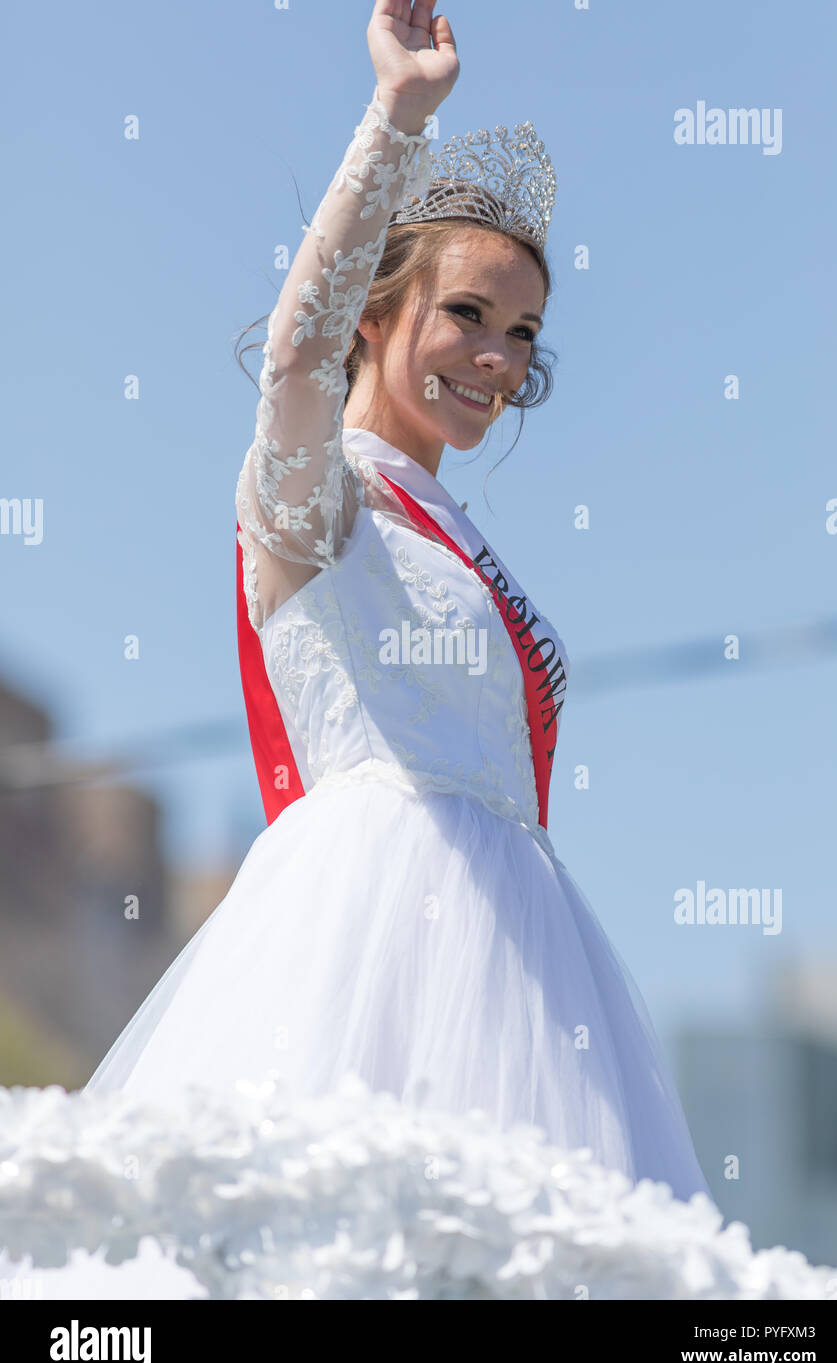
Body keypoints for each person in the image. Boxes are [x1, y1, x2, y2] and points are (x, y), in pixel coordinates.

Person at [9, 5, 711, 1291]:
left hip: (526, 944)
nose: (496, 359)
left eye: (522, 336)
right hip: (373, 917)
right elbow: (289, 355)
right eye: (466, 314)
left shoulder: (452, 525)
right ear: (377, 313)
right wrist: (396, 117)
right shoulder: (319, 493)